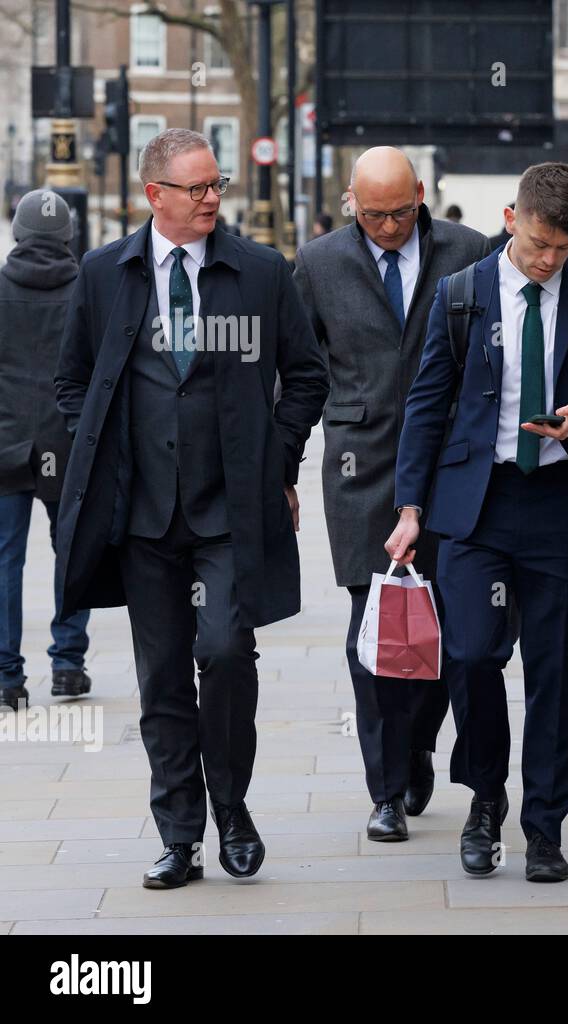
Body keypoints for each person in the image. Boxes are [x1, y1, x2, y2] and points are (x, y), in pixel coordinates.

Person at [54, 129, 329, 890]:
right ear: (155, 195)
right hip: (142, 518)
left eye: (218, 184)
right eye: (198, 188)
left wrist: (277, 462)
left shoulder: (262, 272)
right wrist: (98, 449)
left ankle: (231, 805)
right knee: (164, 679)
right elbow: (72, 381)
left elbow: (306, 376)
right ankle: (180, 835)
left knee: (228, 653)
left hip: (228, 513)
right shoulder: (106, 273)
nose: (214, 199)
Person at [386, 162, 568, 882]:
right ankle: (483, 800)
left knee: (555, 673)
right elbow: (426, 406)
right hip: (476, 507)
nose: (548, 260)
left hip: (561, 508)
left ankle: (544, 826)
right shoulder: (461, 296)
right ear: (512, 218)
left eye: (563, 249)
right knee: (470, 656)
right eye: (539, 243)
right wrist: (411, 507)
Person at [293, 147, 489, 842]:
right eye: (373, 214)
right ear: (351, 201)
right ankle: (385, 789)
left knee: (446, 628)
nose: (387, 226)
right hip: (361, 469)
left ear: (422, 197)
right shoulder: (317, 265)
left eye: (400, 212)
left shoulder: (469, 251)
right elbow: (302, 375)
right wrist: (282, 469)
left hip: (451, 467)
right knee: (371, 633)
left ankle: (417, 747)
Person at [0, 189, 91, 712]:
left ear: (18, 232)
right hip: (68, 439)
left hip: (7, 439)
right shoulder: (86, 289)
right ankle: (67, 664)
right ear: (67, 236)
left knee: (6, 558)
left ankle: (8, 677)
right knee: (71, 549)